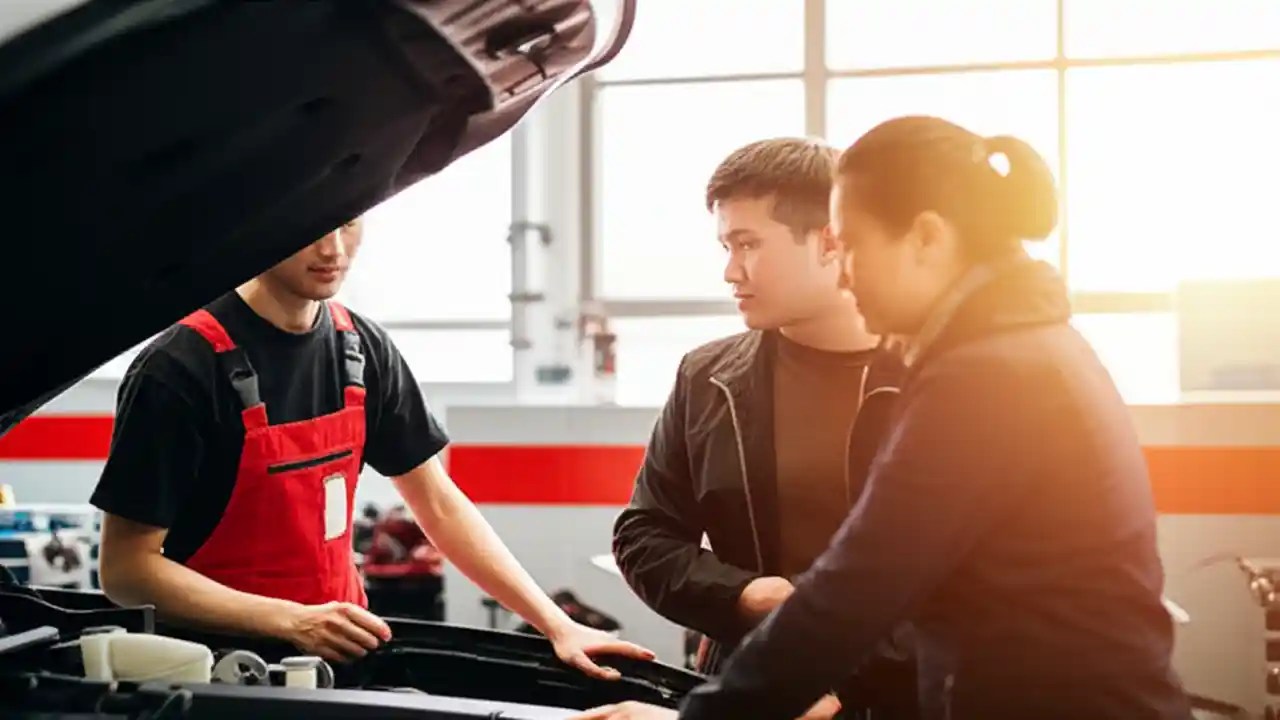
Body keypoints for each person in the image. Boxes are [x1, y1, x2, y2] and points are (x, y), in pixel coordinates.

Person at [573, 116, 1194, 720]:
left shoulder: (989, 375)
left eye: (853, 247)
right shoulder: (1022, 348)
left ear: (926, 239)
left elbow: (858, 591)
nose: (844, 272)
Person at [91, 217, 653, 677]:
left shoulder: (360, 348)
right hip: (215, 675)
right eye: (309, 229)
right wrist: (290, 621)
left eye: (348, 224)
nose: (333, 250)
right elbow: (125, 568)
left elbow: (439, 504)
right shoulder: (179, 369)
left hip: (336, 663)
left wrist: (556, 624)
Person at [610, 137, 913, 719]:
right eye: (727, 247)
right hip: (749, 691)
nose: (731, 272)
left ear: (829, 242)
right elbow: (644, 537)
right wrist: (747, 595)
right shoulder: (707, 377)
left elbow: (973, 582)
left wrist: (849, 691)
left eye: (748, 244)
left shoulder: (936, 380)